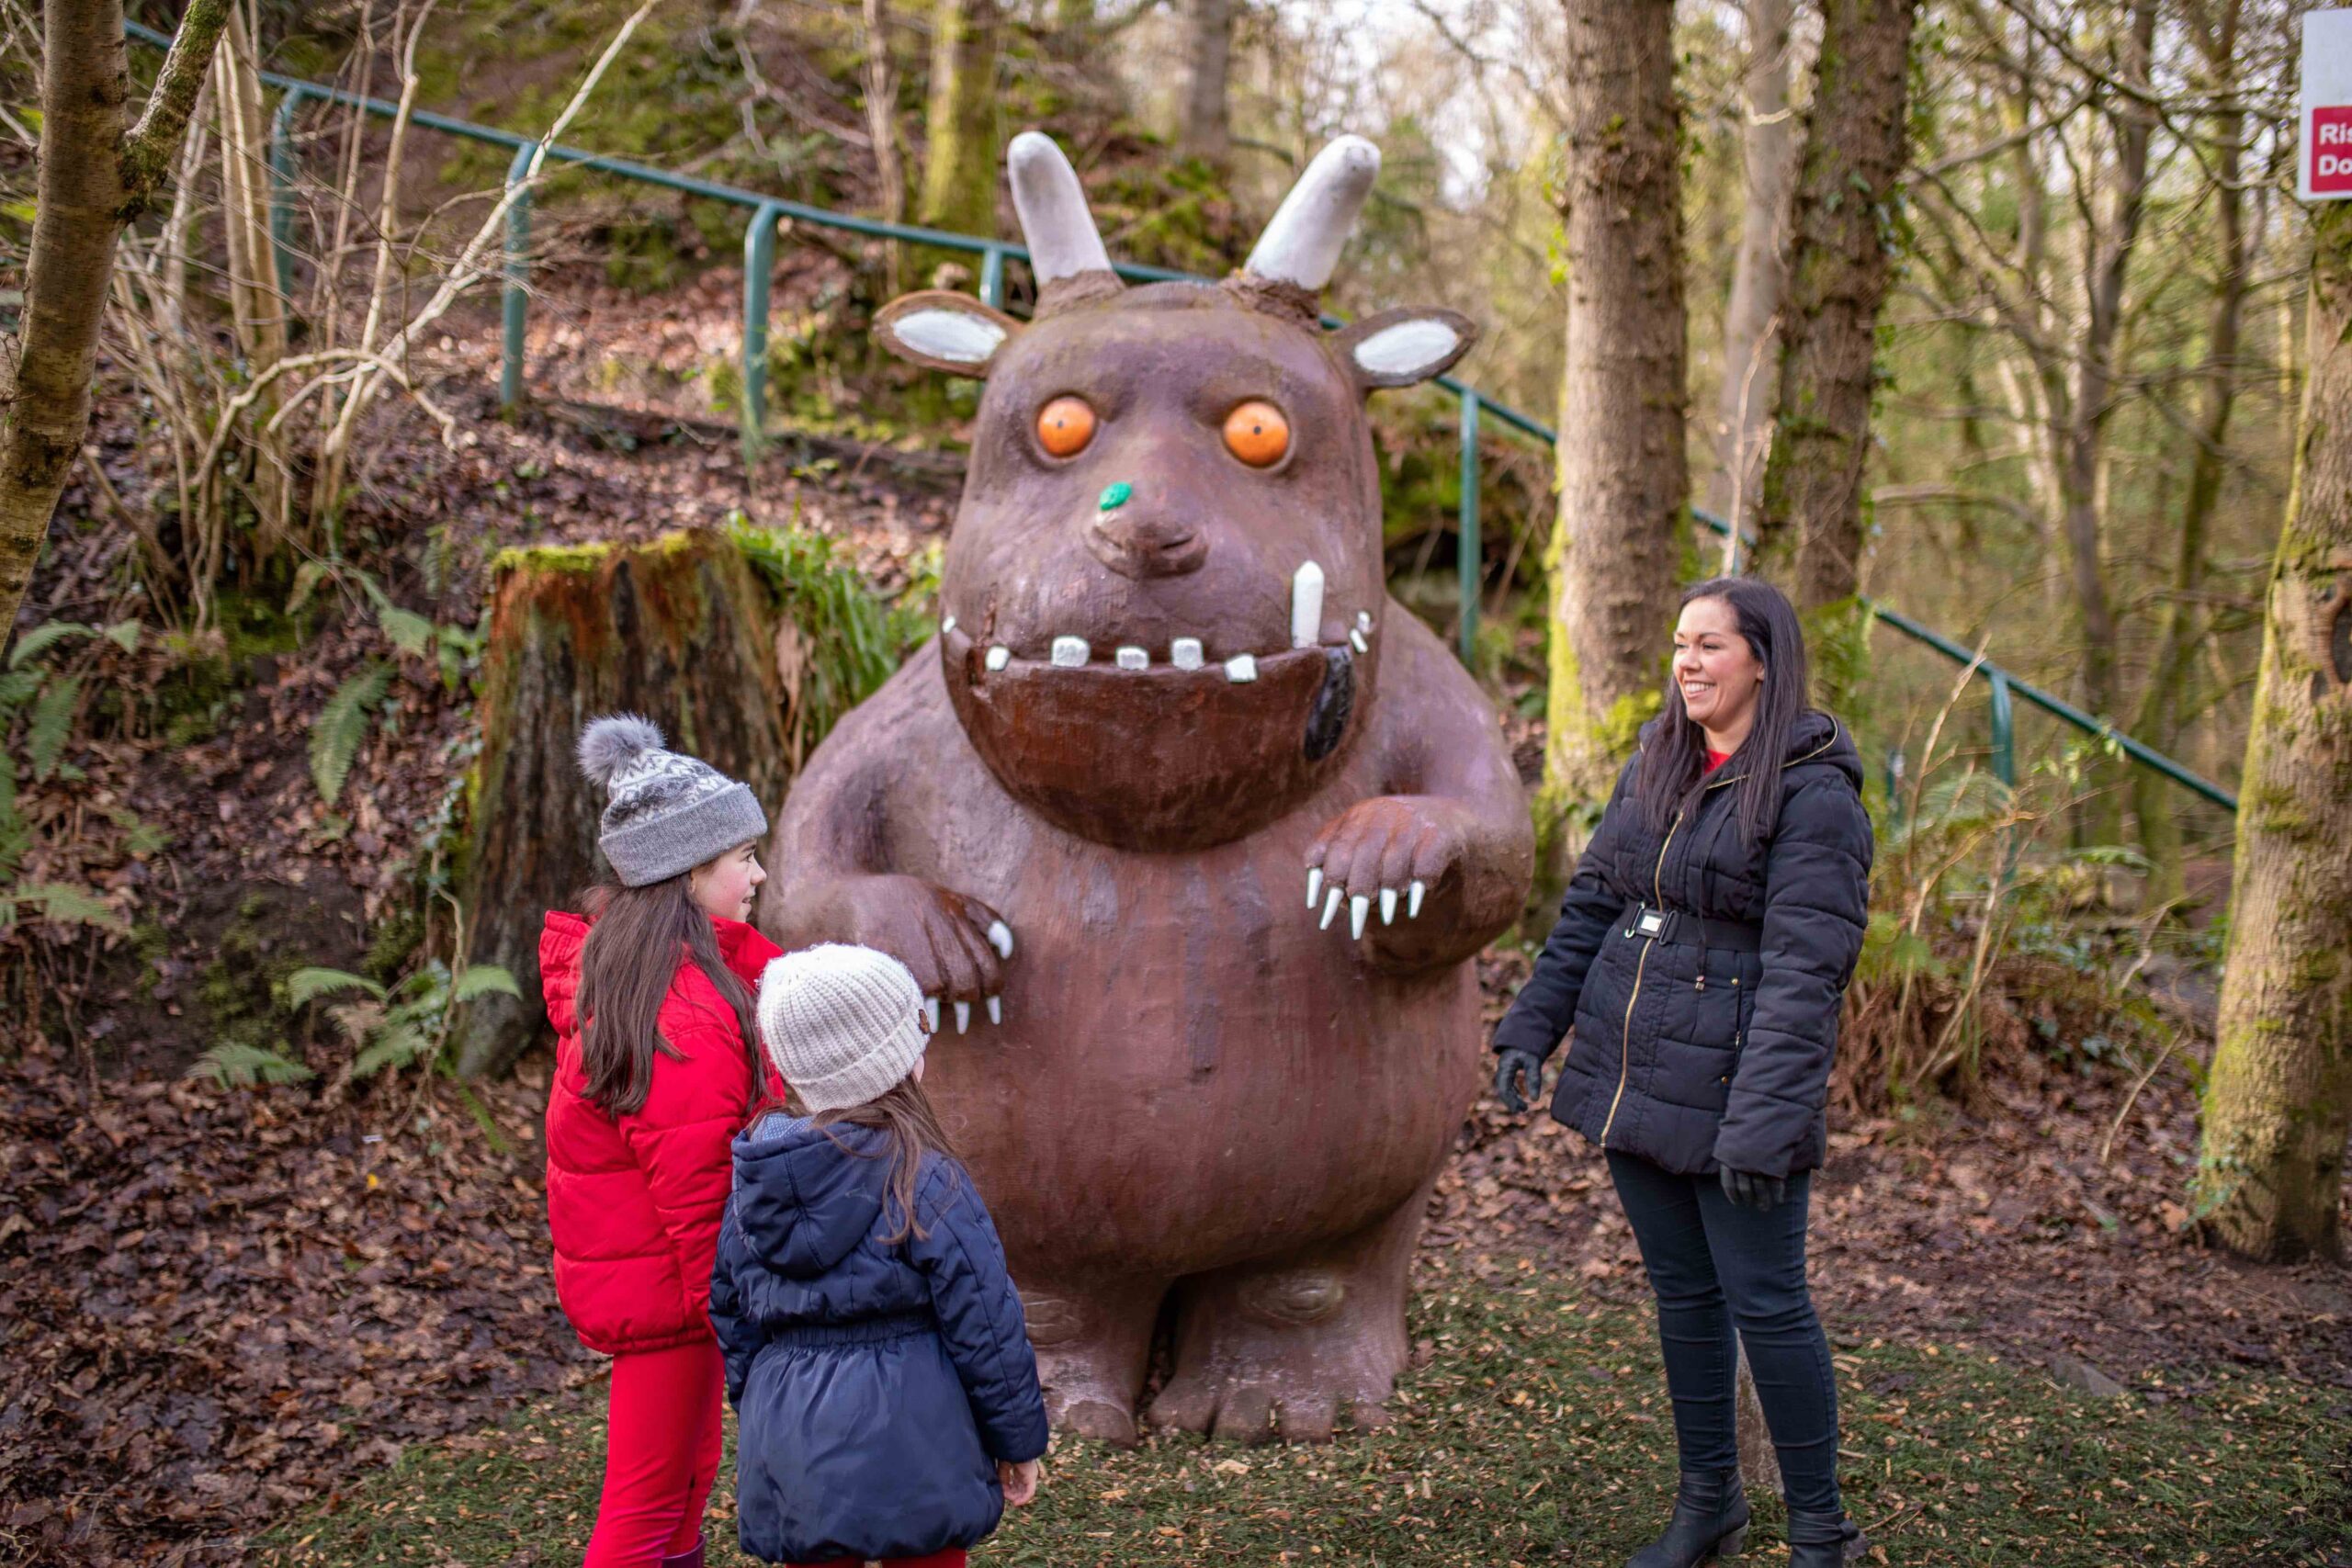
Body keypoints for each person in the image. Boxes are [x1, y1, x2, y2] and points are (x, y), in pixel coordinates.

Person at [1492, 577, 1873, 1568]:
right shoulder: (1658, 762)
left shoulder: (1811, 790)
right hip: (1636, 1072)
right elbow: (1588, 906)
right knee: (1684, 1299)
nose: (1687, 663)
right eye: (1678, 645)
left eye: (1709, 645)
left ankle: (1821, 1532)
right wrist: (1530, 1027)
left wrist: (1762, 1125)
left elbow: (1806, 972)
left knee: (1768, 1301)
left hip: (1738, 1090)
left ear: (1762, 659)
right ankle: (1709, 1504)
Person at [712, 942, 1049, 1568]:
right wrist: (1017, 1440)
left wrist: (763, 1403)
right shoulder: (925, 1177)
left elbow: (731, 1312)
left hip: (797, 1449)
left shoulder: (752, 1180)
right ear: (892, 1063)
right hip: (920, 1446)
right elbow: (986, 1321)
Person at [540, 715, 782, 1568]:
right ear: (687, 873)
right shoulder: (677, 1009)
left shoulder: (673, 979)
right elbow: (699, 1184)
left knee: (681, 1485)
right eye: (740, 857)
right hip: (676, 1289)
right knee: (647, 1504)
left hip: (669, 1286)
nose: (757, 873)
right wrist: (742, 1303)